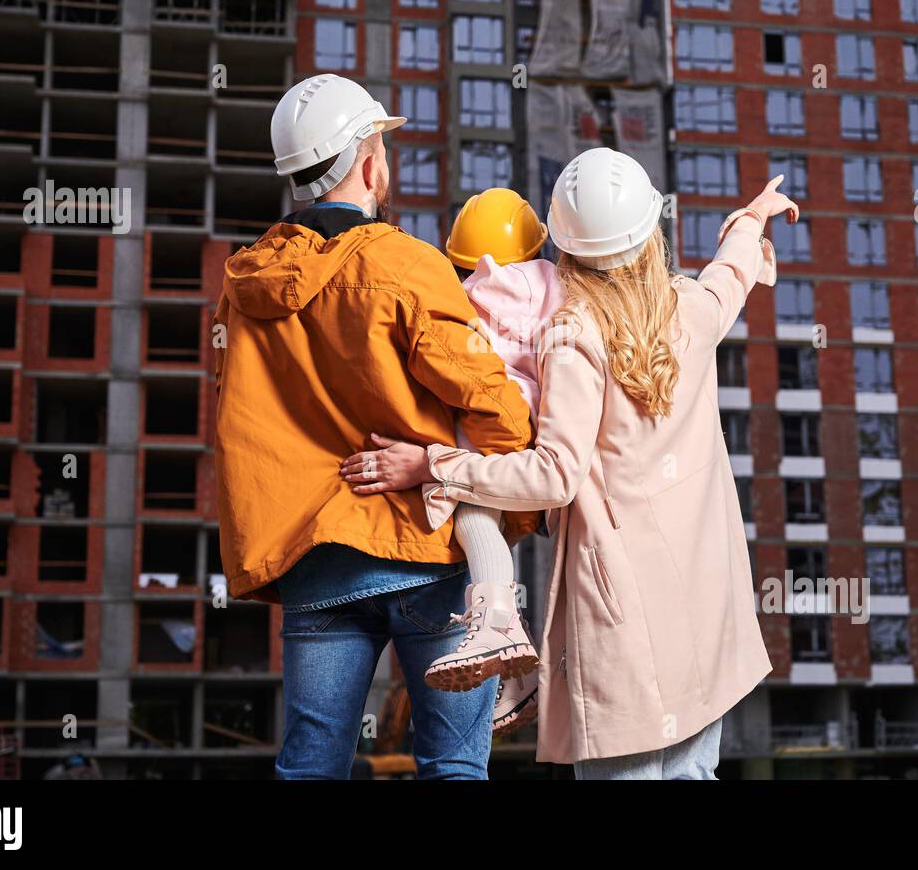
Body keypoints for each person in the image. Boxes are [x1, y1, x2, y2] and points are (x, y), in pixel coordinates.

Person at [341, 147, 794, 779]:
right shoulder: (688, 307)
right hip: (705, 601)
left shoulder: (573, 335)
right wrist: (751, 220)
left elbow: (554, 474)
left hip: (624, 619)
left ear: (564, 248)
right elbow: (730, 276)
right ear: (650, 233)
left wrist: (435, 466)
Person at [213, 74, 536, 779]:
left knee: (310, 767)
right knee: (453, 765)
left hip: (315, 558)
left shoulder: (244, 285)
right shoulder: (404, 263)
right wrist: (513, 498)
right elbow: (486, 394)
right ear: (368, 160)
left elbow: (240, 426)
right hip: (424, 549)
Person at [425, 188, 560, 733]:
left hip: (487, 419)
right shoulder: (557, 284)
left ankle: (498, 621)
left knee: (471, 511)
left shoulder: (460, 294)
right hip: (541, 429)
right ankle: (517, 677)